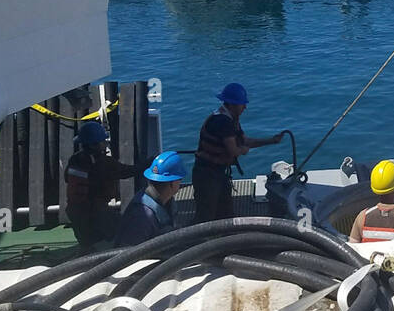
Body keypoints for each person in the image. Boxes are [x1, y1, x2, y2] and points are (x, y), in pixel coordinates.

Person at [192, 83, 283, 224]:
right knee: (205, 216)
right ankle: (197, 243)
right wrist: (243, 151)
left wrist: (271, 141)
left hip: (218, 173)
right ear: (232, 104)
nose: (245, 107)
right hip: (208, 175)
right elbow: (234, 150)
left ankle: (224, 240)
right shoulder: (223, 122)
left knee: (225, 213)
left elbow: (245, 140)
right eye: (242, 104)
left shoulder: (229, 119)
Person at [64, 120, 137, 249]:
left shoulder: (75, 159)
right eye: (103, 141)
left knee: (87, 243)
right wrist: (148, 164)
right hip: (96, 213)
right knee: (122, 232)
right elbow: (126, 171)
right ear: (94, 145)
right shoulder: (104, 163)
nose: (106, 143)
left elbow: (66, 178)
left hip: (74, 211)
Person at [115, 151, 186, 248]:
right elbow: (128, 254)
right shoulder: (142, 216)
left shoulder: (167, 201)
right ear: (172, 184)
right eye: (179, 179)